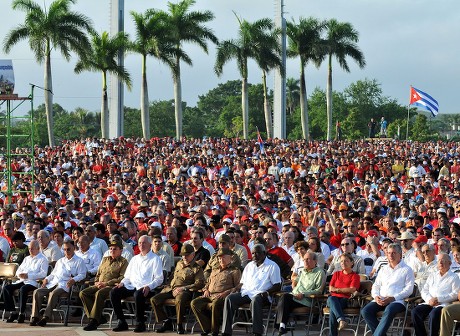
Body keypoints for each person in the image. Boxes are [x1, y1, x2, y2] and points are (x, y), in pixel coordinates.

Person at [221, 244, 282, 336]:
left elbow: (277, 285)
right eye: (253, 253)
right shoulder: (249, 266)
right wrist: (235, 288)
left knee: (255, 300)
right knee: (230, 298)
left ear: (264, 253)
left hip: (263, 295)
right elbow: (242, 283)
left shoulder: (272, 266)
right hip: (246, 293)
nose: (254, 255)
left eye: (257, 253)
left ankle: (257, 332)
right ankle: (226, 332)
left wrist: (267, 292)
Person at [109, 235, 163, 332]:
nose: (141, 245)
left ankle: (140, 323)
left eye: (144, 243)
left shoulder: (155, 259)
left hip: (146, 287)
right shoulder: (135, 259)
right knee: (114, 292)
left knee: (138, 294)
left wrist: (149, 286)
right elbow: (127, 276)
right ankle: (122, 321)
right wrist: (122, 283)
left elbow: (159, 278)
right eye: (139, 243)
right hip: (131, 286)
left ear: (150, 245)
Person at [361, 243, 415, 336]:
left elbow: (409, 289)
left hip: (397, 302)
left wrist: (393, 298)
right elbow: (376, 285)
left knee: (389, 310)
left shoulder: (407, 269)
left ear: (400, 254)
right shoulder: (384, 269)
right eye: (389, 253)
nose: (390, 255)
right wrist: (376, 296)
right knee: (365, 311)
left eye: (394, 253)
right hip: (381, 299)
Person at [30, 240, 87, 327]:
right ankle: (35, 317)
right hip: (54, 282)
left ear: (74, 249)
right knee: (37, 292)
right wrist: (46, 279)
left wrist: (74, 279)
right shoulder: (60, 261)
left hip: (65, 285)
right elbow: (53, 273)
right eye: (64, 249)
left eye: (68, 249)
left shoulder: (79, 261)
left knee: (54, 293)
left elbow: (82, 274)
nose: (66, 251)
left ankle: (46, 317)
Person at [152, 244, 205, 334]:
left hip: (185, 291)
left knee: (179, 300)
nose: (184, 257)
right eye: (183, 255)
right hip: (171, 289)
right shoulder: (179, 263)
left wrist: (183, 288)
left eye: (187, 255)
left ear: (193, 255)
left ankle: (179, 324)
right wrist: (167, 285)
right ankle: (166, 321)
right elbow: (173, 277)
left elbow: (199, 283)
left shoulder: (196, 268)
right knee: (154, 299)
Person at [80, 237, 128, 331]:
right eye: (110, 248)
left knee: (99, 293)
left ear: (121, 250)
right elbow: (99, 272)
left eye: (115, 249)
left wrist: (106, 283)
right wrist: (97, 281)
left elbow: (122, 278)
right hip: (99, 284)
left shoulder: (123, 262)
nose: (112, 250)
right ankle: (99, 318)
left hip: (111, 286)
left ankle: (94, 321)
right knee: (83, 293)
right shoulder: (105, 259)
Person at [191, 248, 242, 336]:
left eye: (223, 257)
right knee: (194, 303)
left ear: (230, 258)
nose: (221, 260)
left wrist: (226, 292)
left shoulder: (235, 270)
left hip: (222, 296)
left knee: (215, 304)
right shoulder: (215, 269)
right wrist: (206, 289)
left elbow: (238, 286)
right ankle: (206, 328)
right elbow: (208, 282)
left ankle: (215, 330)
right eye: (219, 258)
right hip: (209, 295)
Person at [276, 252, 325, 336]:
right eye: (304, 259)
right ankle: (282, 326)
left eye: (308, 259)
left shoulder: (320, 272)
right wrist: (294, 283)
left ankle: (279, 326)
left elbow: (319, 291)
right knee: (283, 297)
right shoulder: (303, 271)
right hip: (294, 296)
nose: (305, 261)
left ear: (315, 261)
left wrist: (303, 294)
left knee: (285, 298)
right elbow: (295, 281)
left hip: (306, 300)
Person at [411, 253, 460, 336]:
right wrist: (429, 300)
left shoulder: (454, 277)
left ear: (450, 263)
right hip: (429, 302)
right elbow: (424, 290)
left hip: (443, 304)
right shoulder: (433, 275)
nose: (440, 263)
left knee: (433, 315)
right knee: (415, 312)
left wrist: (439, 299)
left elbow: (455, 294)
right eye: (439, 261)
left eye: (443, 261)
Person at [3, 240, 48, 323]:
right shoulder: (27, 258)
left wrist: (28, 275)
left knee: (23, 289)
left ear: (38, 248)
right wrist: (20, 274)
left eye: (32, 249)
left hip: (33, 282)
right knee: (6, 288)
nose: (30, 250)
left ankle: (22, 313)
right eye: (29, 249)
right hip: (22, 280)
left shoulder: (43, 259)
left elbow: (43, 274)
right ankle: (13, 312)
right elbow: (18, 270)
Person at [326, 253, 361, 335]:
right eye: (341, 261)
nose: (343, 263)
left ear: (352, 263)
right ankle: (341, 319)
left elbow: (352, 289)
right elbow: (331, 288)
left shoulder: (355, 276)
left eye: (346, 261)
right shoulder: (336, 274)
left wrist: (337, 290)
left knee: (332, 310)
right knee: (332, 299)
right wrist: (344, 290)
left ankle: (339, 322)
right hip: (333, 298)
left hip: (345, 300)